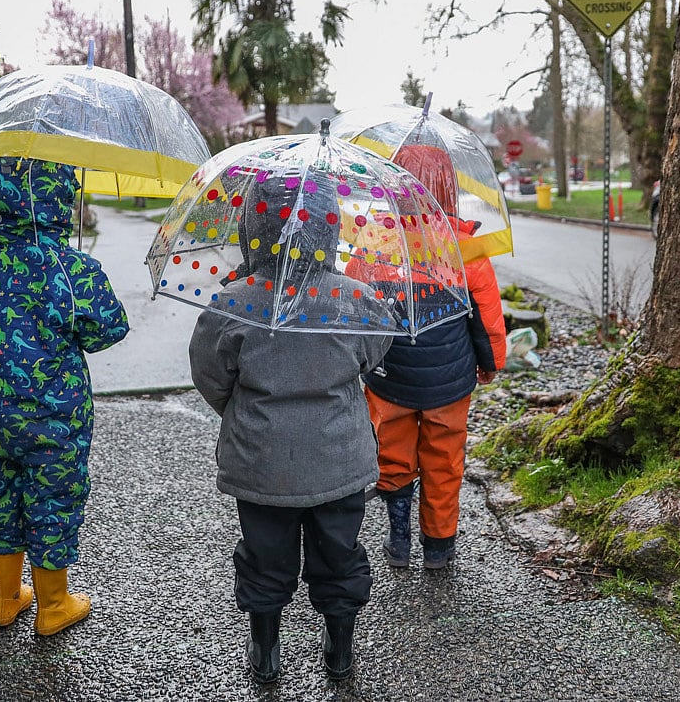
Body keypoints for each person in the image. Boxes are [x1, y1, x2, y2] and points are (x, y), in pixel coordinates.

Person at [188, 172, 392, 684]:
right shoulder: (357, 299)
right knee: (339, 553)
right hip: (339, 460)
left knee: (265, 555)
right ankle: (339, 648)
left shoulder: (234, 302)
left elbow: (210, 376)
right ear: (330, 227)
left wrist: (245, 413)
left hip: (262, 464)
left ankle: (265, 649)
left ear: (252, 228)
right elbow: (371, 356)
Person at [0, 156, 129, 636]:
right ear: (60, 198)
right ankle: (53, 605)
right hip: (55, 418)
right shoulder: (72, 268)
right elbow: (108, 330)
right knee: (52, 497)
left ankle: (5, 599)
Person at [364, 144, 507, 571]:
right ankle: (439, 547)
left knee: (392, 457)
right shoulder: (466, 248)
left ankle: (399, 539)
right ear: (449, 189)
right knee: (444, 461)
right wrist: (490, 363)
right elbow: (487, 317)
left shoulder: (375, 243)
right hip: (450, 382)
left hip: (389, 378)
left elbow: (357, 307)